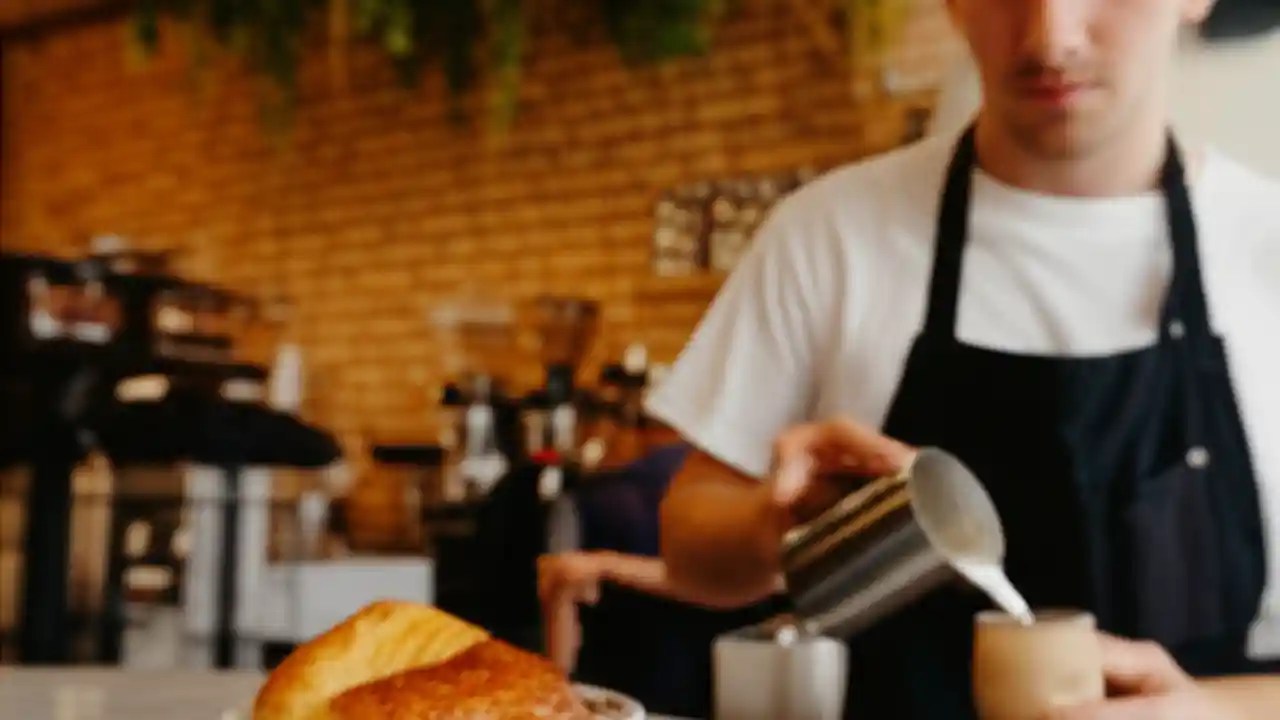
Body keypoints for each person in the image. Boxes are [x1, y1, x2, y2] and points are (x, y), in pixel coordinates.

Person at [646, 0, 1280, 718]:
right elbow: (688, 551)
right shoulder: (829, 236)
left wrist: (1216, 710)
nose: (1051, 34)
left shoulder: (1266, 247)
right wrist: (772, 526)